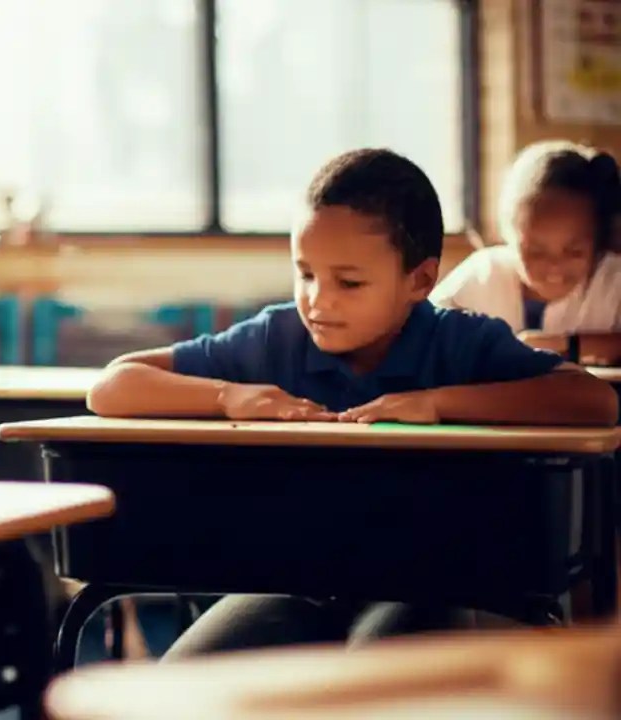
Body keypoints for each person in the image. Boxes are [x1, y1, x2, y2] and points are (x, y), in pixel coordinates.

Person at [87, 148, 618, 656]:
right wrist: (230, 396)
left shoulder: (459, 342)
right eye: (306, 274)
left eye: (349, 281)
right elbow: (112, 385)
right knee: (182, 684)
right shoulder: (278, 337)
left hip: (441, 578)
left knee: (381, 662)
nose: (318, 301)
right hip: (296, 581)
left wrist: (437, 403)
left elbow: (593, 402)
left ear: (420, 279)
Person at [431, 141, 621, 364]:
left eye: (575, 252)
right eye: (537, 252)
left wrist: (563, 344)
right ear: (509, 235)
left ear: (598, 242)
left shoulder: (613, 280)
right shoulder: (484, 274)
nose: (555, 268)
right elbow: (424, 333)